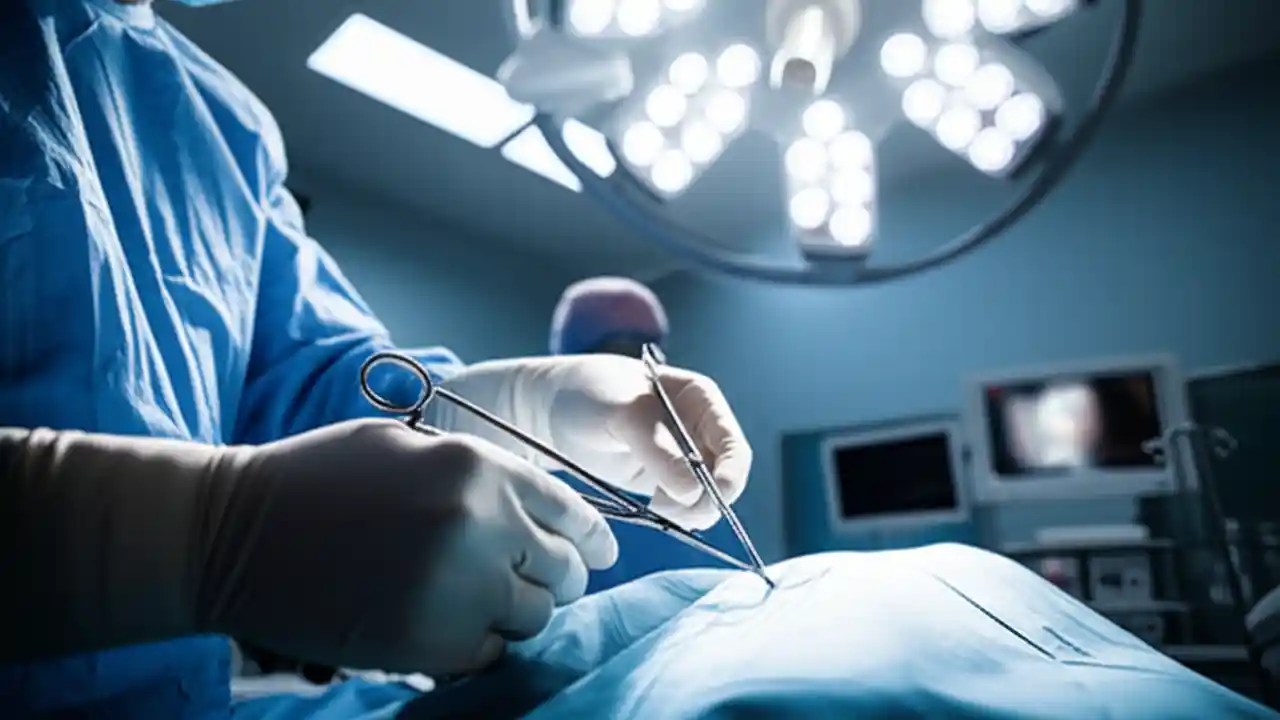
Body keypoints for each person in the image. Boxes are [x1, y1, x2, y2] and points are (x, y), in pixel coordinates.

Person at [0, 0, 753, 716]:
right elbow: (260, 499)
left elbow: (317, 391)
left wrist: (523, 406)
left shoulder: (219, 129)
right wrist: (197, 534)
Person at [549, 277, 737, 593]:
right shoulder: (538, 475)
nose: (636, 365)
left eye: (649, 350)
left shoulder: (692, 473)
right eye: (617, 348)